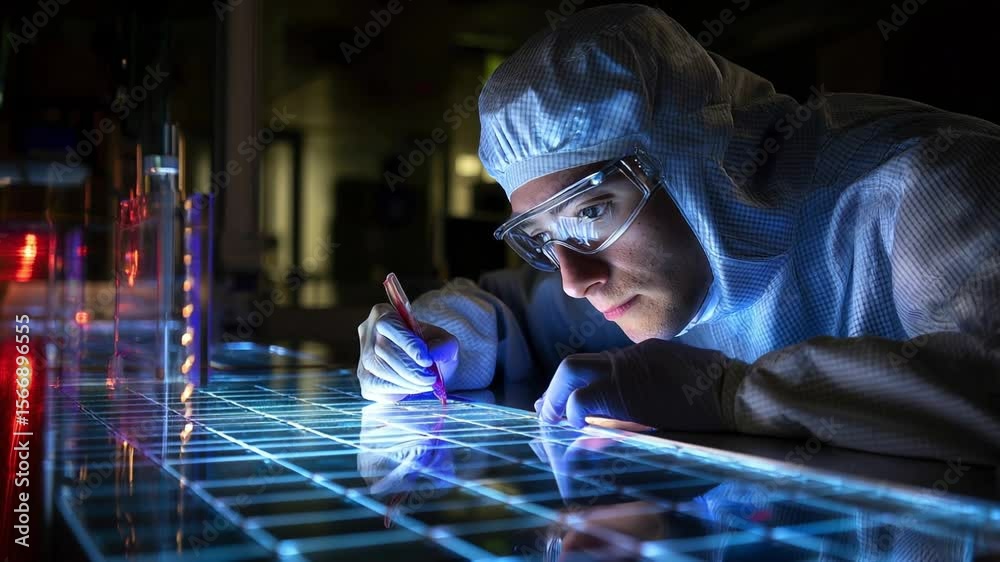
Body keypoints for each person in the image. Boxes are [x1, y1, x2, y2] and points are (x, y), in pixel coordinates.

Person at [357, 4, 1000, 464]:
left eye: (590, 212)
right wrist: (443, 339)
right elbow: (515, 315)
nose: (576, 281)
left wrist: (729, 395)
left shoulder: (929, 177)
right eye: (546, 238)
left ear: (694, 163)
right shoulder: (654, 265)